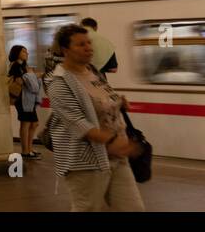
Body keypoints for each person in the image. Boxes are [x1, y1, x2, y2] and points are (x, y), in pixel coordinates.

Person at [46, 24, 144, 211]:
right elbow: (77, 123)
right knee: (87, 208)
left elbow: (102, 99)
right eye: (81, 44)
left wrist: (118, 102)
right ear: (65, 50)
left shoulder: (92, 72)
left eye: (89, 43)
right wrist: (113, 141)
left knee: (133, 208)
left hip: (116, 157)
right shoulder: (58, 82)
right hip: (85, 161)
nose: (88, 48)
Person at [8, 45, 42, 159]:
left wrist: (31, 75)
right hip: (22, 99)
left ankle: (30, 148)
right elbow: (20, 81)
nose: (27, 53)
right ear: (17, 53)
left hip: (29, 98)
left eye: (27, 51)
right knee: (26, 123)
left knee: (34, 123)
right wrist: (32, 75)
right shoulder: (15, 66)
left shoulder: (23, 66)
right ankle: (25, 151)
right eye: (23, 51)